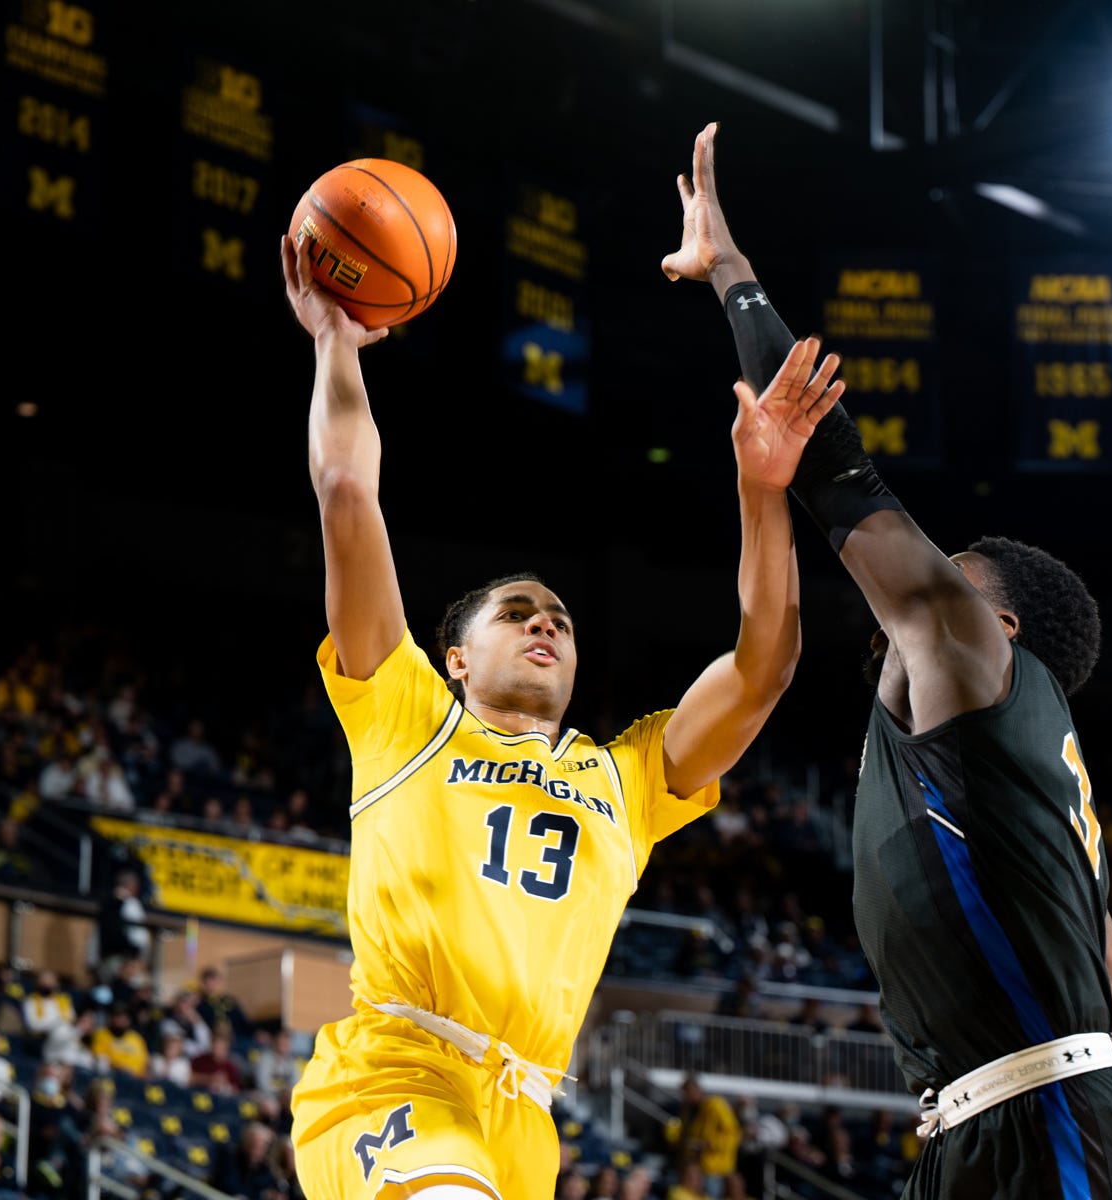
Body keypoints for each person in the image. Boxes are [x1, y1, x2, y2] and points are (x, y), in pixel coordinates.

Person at [661, 121, 1112, 1196]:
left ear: (998, 631)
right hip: (1018, 1123)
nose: (923, 596)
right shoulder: (1017, 783)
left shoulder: (982, 674)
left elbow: (845, 480)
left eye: (955, 579)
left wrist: (734, 277)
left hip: (1046, 1119)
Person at [278, 210, 815, 1200]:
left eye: (560, 618)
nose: (546, 625)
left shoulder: (627, 775)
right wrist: (335, 349)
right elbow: (348, 491)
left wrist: (763, 490)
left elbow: (763, 668)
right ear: (454, 661)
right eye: (517, 613)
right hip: (396, 1078)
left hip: (528, 1121)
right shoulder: (406, 715)